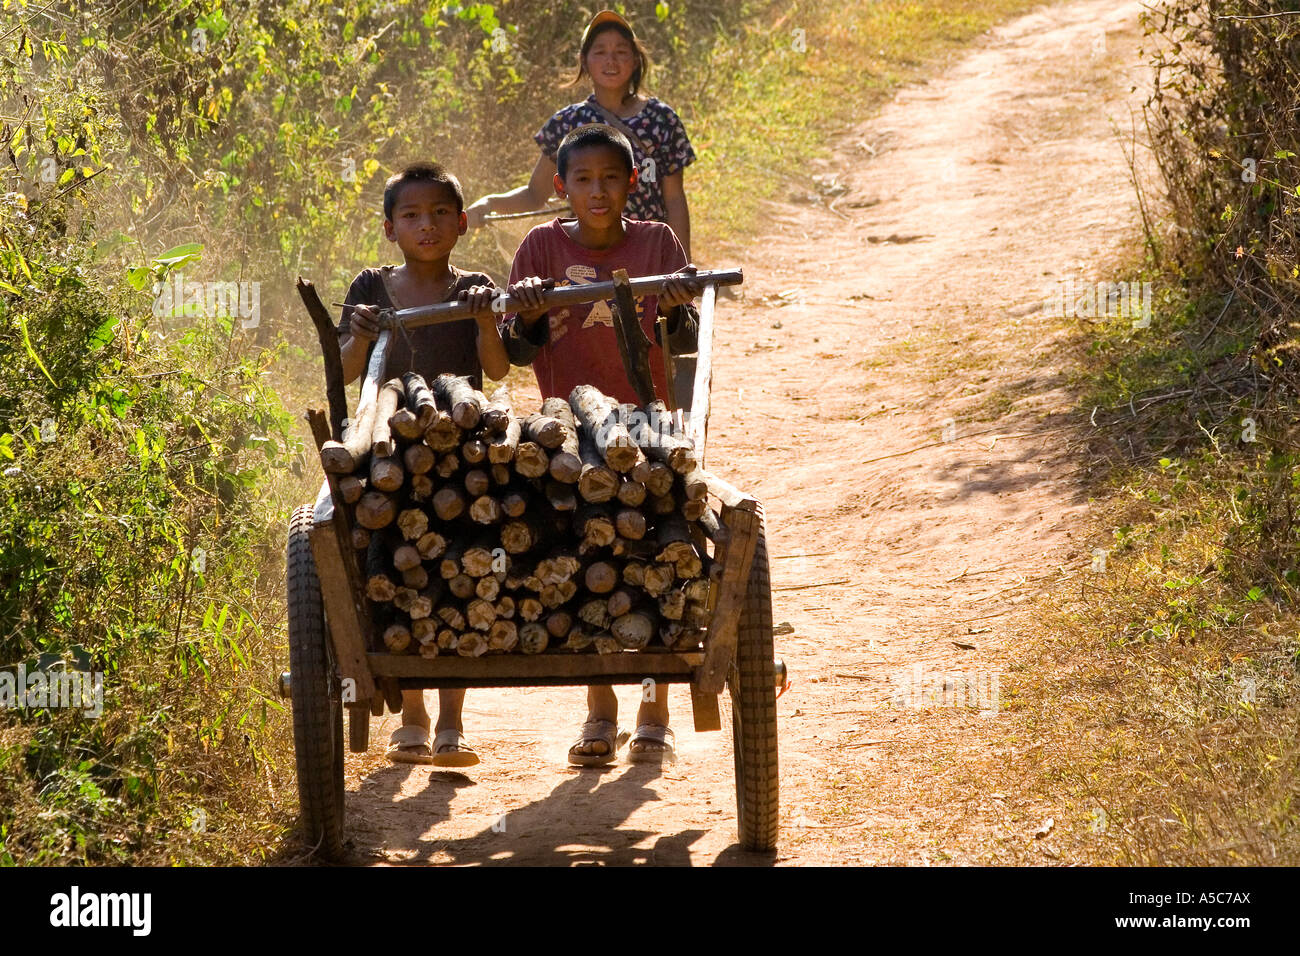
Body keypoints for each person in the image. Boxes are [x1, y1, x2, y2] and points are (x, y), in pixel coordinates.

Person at [500, 123, 701, 765]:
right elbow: (512, 350)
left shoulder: (657, 243)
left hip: (647, 424)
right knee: (588, 563)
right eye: (582, 179)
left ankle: (654, 713)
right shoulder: (539, 247)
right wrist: (528, 311)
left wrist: (673, 305)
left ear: (632, 184)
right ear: (560, 187)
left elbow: (685, 339)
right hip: (568, 430)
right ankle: (599, 711)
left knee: (655, 556)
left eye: (611, 178)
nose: (597, 190)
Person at [338, 161, 513, 767]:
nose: (427, 225)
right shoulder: (369, 287)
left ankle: (451, 725)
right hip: (389, 448)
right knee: (397, 573)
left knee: (460, 572)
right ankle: (410, 716)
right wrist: (359, 335)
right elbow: (344, 371)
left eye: (440, 213)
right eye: (411, 216)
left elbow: (495, 370)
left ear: (462, 223)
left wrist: (485, 317)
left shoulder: (475, 285)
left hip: (459, 450)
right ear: (390, 229)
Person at [465, 9, 696, 259]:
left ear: (636, 59)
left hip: (649, 252)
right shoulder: (567, 123)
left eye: (620, 51)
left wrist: (681, 265)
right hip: (588, 259)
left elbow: (674, 198)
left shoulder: (662, 120)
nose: (611, 61)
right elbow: (535, 195)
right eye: (600, 52)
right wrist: (490, 203)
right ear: (584, 61)